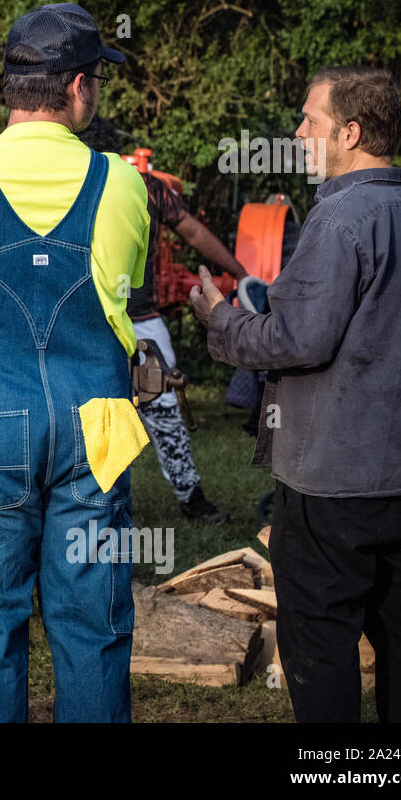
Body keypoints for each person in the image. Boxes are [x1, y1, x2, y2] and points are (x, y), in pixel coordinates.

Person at [190, 65, 401, 722]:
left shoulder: (340, 217)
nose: (297, 132)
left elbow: (297, 340)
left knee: (320, 641)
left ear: (348, 131)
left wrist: (220, 319)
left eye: (309, 121)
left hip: (335, 484)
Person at [0, 3, 150, 722]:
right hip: (96, 429)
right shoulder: (122, 185)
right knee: (95, 631)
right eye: (97, 79)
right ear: (77, 87)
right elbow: (123, 281)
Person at [79, 120, 247, 522]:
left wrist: (239, 272)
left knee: (105, 412)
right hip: (129, 322)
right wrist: (240, 272)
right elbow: (191, 230)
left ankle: (100, 504)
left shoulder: (73, 186)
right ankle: (188, 499)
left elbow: (190, 230)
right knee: (161, 408)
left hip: (94, 321)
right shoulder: (143, 185)